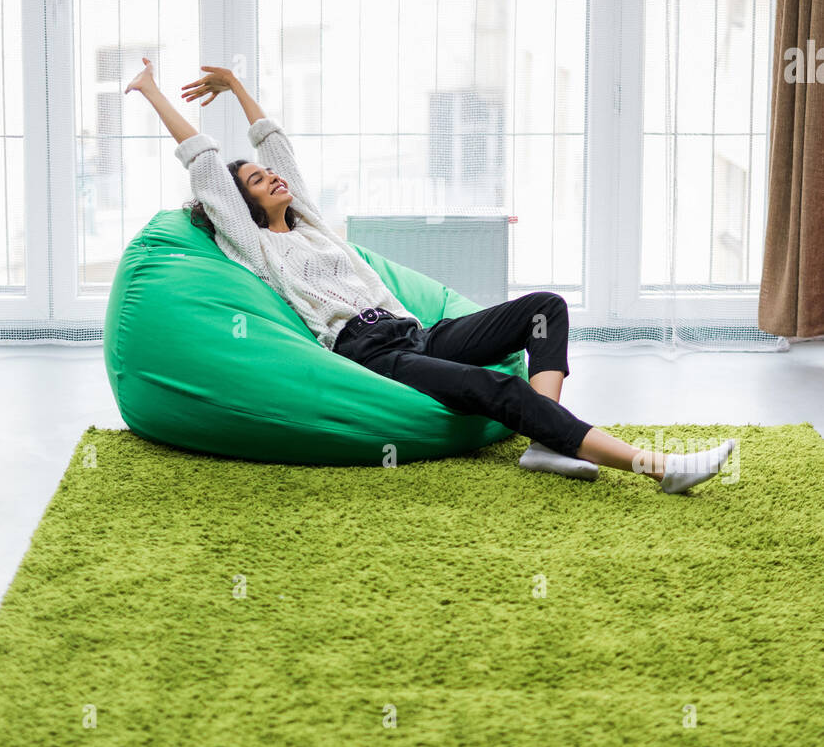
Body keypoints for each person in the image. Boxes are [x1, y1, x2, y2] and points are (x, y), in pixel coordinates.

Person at [126, 58, 734, 494]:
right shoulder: (256, 248)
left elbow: (278, 144)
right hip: (369, 350)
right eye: (257, 181)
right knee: (497, 390)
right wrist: (153, 90)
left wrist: (234, 85)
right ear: (243, 207)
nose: (272, 177)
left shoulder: (311, 222)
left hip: (418, 331)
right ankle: (654, 465)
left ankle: (547, 442)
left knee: (544, 306)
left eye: (268, 173)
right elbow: (204, 165)